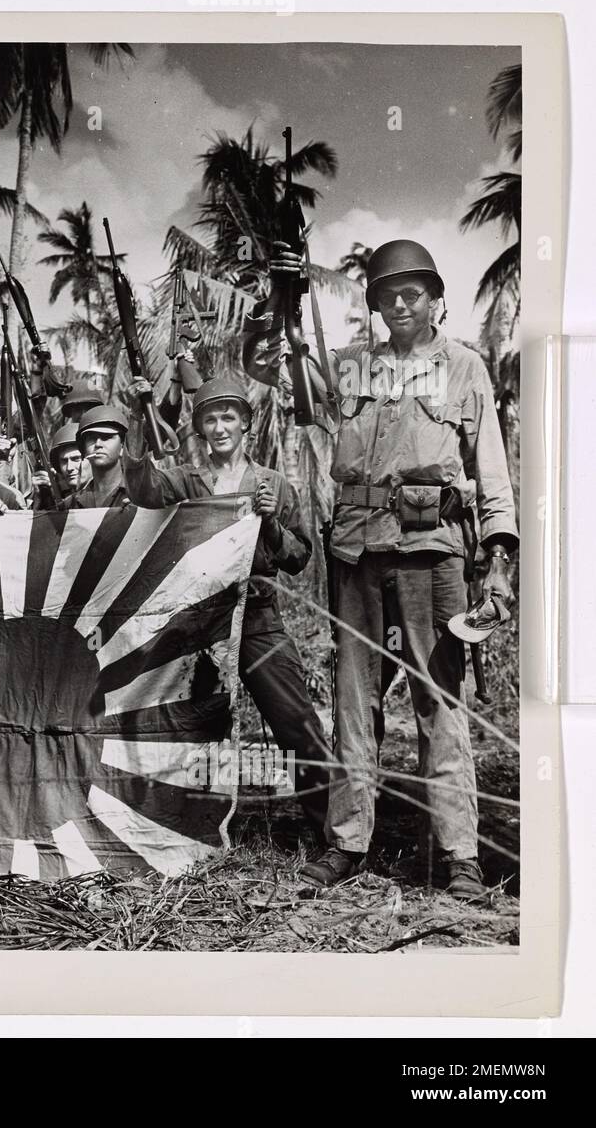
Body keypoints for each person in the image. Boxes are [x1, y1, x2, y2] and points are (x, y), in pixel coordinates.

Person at [268, 237, 518, 899]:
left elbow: (491, 471)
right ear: (374, 304)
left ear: (435, 299)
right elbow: (297, 396)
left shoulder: (464, 368)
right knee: (355, 702)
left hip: (431, 557)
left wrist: (499, 565)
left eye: (413, 292)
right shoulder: (351, 367)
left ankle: (460, 851)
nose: (401, 303)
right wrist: (285, 307)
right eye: (387, 294)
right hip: (357, 557)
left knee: (440, 705)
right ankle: (347, 839)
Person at [122, 374, 335, 840]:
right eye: (210, 419)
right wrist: (141, 418)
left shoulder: (273, 484)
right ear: (200, 429)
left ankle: (335, 834)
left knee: (295, 722)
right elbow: (142, 490)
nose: (219, 428)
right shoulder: (187, 481)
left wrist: (272, 524)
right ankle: (176, 831)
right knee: (184, 727)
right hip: (199, 624)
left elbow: (299, 558)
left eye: (229, 418)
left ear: (246, 425)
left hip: (257, 617)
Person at [32, 404, 132, 509]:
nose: (98, 444)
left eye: (106, 437)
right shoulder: (70, 505)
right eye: (91, 438)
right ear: (83, 450)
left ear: (123, 446)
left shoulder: (139, 495)